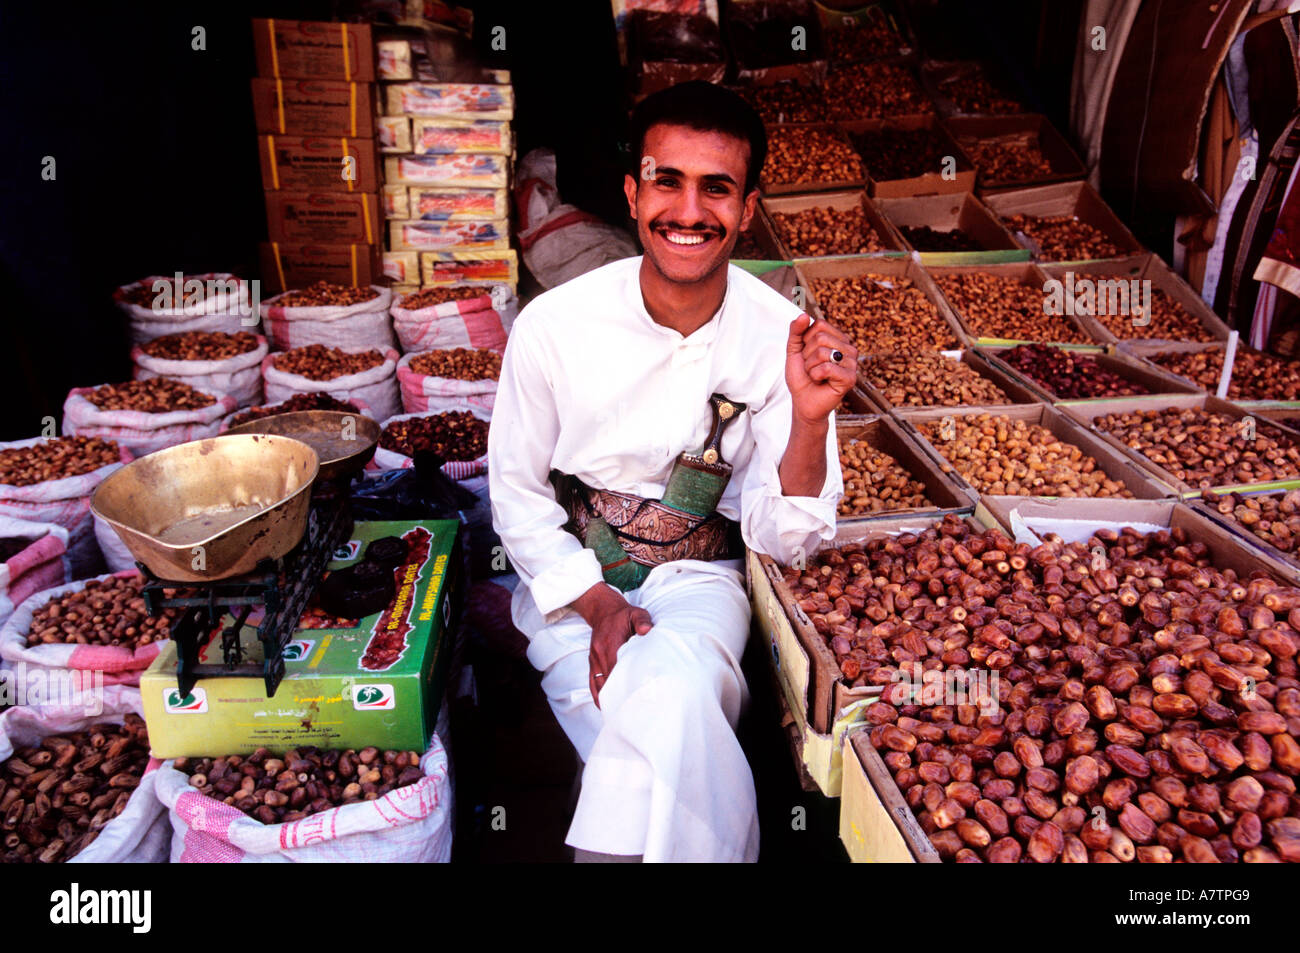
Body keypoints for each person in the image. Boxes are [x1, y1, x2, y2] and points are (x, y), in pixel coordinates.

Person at [487, 81, 856, 862]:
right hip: (572, 579)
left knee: (665, 692)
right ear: (632, 190)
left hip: (700, 582)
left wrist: (811, 415)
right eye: (668, 181)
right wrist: (592, 601)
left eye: (716, 188)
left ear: (748, 207)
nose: (689, 213)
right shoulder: (554, 325)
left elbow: (787, 539)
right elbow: (517, 494)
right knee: (671, 706)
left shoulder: (778, 335)